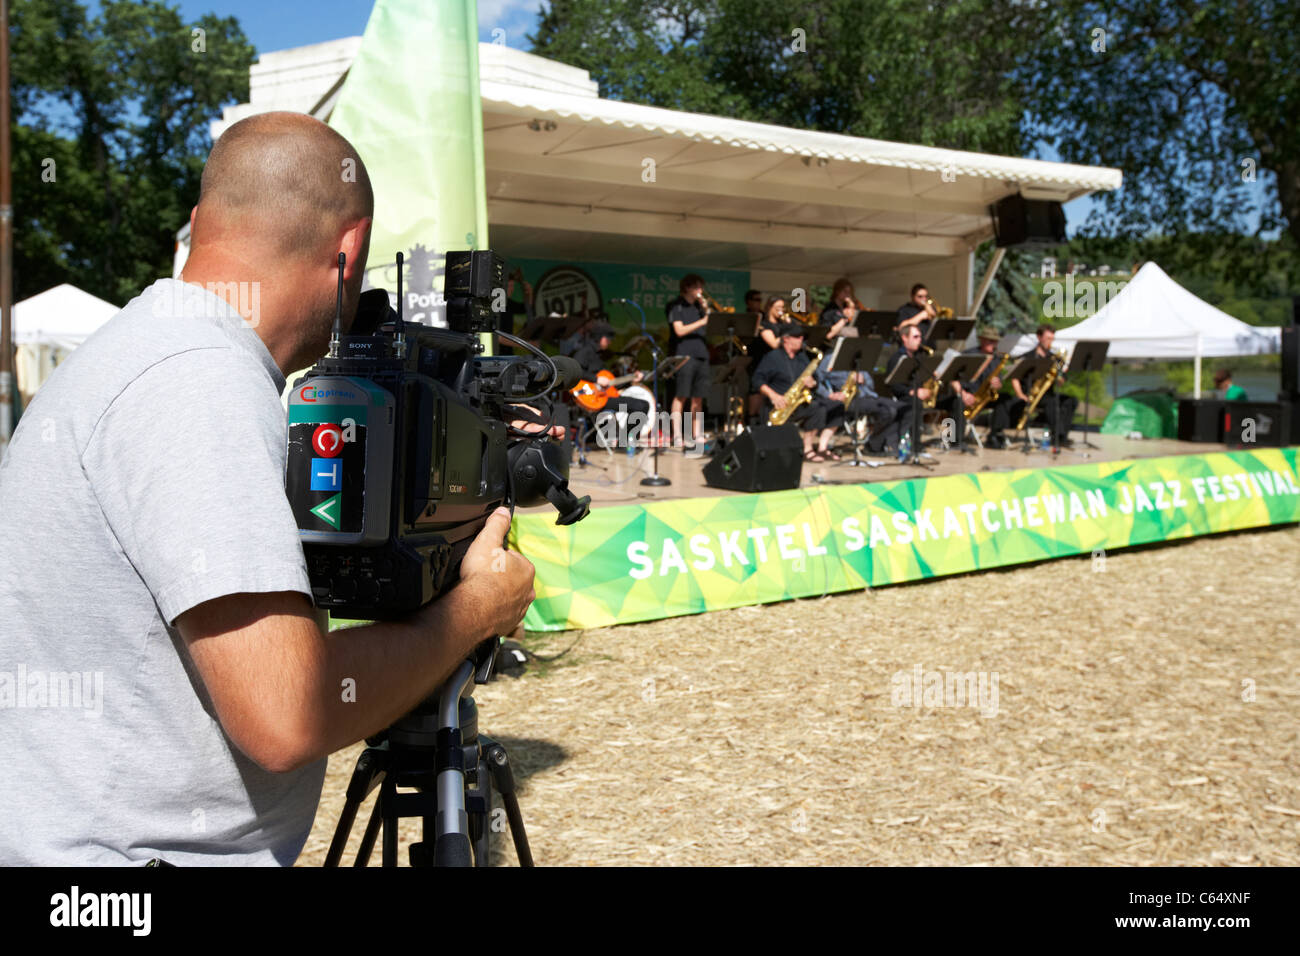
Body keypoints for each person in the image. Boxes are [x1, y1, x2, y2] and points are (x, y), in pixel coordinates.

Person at [0, 112, 537, 865]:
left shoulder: (136, 350)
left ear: (198, 224)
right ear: (349, 251)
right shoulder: (198, 382)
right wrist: (480, 606)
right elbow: (289, 713)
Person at [752, 324, 844, 462]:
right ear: (786, 339)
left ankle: (808, 450)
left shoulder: (802, 357)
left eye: (802, 337)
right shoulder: (772, 357)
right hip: (778, 405)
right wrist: (774, 396)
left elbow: (816, 379)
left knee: (820, 408)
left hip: (797, 403)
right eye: (798, 337)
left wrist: (813, 382)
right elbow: (757, 380)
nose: (801, 339)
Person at [815, 347, 911, 455]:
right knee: (887, 411)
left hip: (869, 396)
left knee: (907, 409)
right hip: (850, 399)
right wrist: (830, 395)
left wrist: (864, 380)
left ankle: (891, 443)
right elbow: (817, 381)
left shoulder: (858, 360)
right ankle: (874, 446)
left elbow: (871, 385)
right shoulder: (829, 359)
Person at [884, 323, 967, 443]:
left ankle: (954, 440)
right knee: (915, 403)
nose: (920, 340)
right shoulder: (897, 358)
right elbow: (893, 385)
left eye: (920, 337)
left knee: (956, 401)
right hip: (907, 397)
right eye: (916, 337)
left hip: (926, 396)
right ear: (904, 338)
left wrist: (934, 375)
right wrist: (913, 392)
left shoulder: (921, 356)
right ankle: (915, 443)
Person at [571, 321, 650, 445]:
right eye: (608, 339)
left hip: (604, 397)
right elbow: (573, 371)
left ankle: (626, 441)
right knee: (640, 405)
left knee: (643, 404)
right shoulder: (584, 352)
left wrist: (630, 380)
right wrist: (596, 379)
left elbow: (610, 384)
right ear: (601, 338)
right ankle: (626, 443)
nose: (610, 342)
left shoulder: (600, 356)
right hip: (592, 398)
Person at [1008, 325, 1077, 447]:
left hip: (1047, 393)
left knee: (1071, 401)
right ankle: (1058, 436)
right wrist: (1020, 394)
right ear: (1039, 337)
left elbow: (1061, 379)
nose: (1050, 342)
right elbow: (1015, 377)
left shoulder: (1053, 358)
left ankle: (1062, 435)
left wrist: (1060, 377)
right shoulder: (1027, 357)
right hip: (1031, 394)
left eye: (1052, 339)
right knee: (1051, 402)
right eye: (1048, 338)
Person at [665, 274, 711, 450]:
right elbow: (679, 330)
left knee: (698, 397)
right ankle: (677, 435)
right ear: (687, 288)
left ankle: (696, 433)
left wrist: (705, 311)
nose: (701, 291)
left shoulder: (699, 307)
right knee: (681, 395)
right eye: (697, 287)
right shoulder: (677, 306)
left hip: (701, 354)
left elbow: (707, 326)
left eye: (701, 287)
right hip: (685, 355)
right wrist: (702, 321)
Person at [959, 328, 1013, 449]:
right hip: (968, 394)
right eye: (990, 341)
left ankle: (995, 434)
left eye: (995, 342)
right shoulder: (968, 354)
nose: (993, 344)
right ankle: (957, 439)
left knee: (1005, 399)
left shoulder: (996, 359)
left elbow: (998, 383)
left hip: (984, 396)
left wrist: (997, 384)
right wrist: (964, 394)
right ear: (982, 340)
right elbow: (955, 378)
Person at [747, 296, 786, 419]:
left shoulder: (783, 325)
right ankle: (752, 422)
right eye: (778, 307)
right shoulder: (764, 324)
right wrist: (788, 332)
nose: (781, 310)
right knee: (757, 393)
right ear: (770, 307)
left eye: (782, 307)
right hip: (761, 363)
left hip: (778, 364)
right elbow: (774, 344)